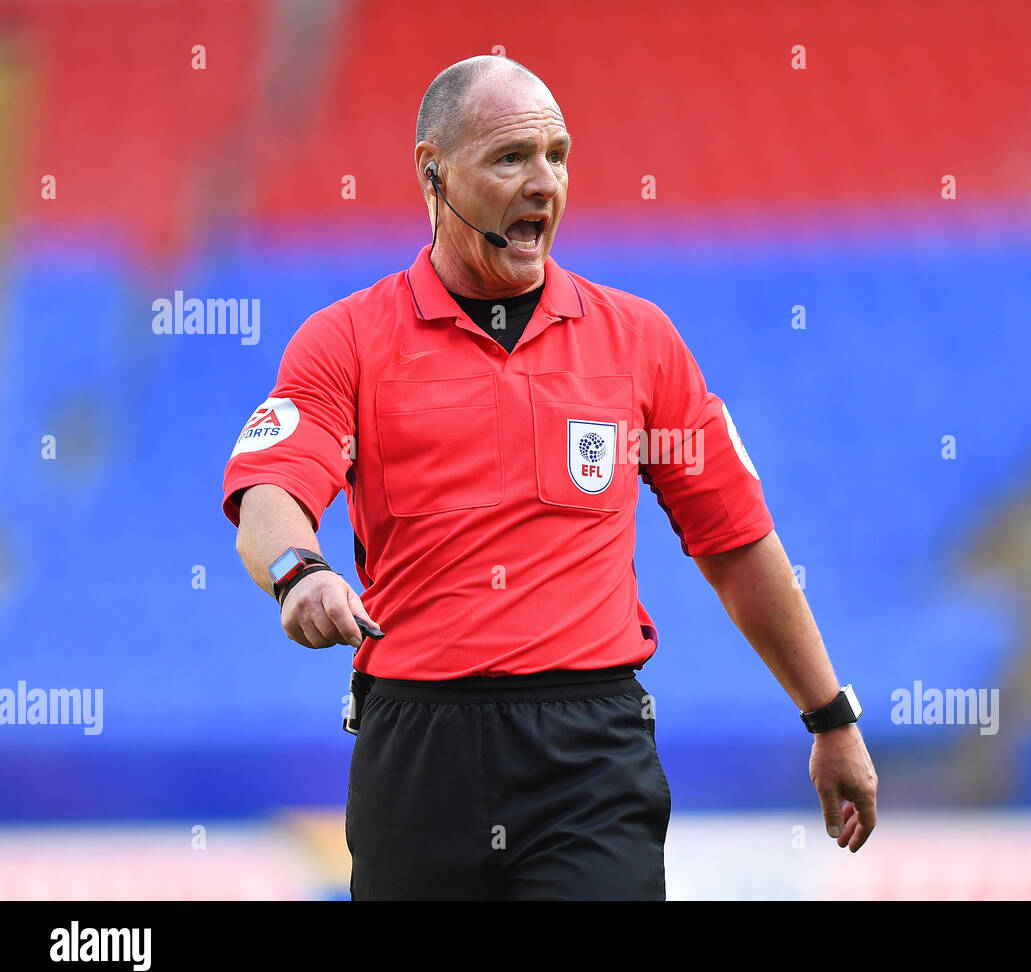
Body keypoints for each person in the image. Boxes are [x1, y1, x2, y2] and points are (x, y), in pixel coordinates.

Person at [222, 55, 877, 900]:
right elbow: (272, 490)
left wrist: (830, 717)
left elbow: (737, 540)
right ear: (433, 171)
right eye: (510, 158)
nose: (545, 183)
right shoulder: (344, 340)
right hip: (419, 749)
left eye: (557, 155)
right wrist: (298, 574)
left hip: (589, 752)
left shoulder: (638, 342)